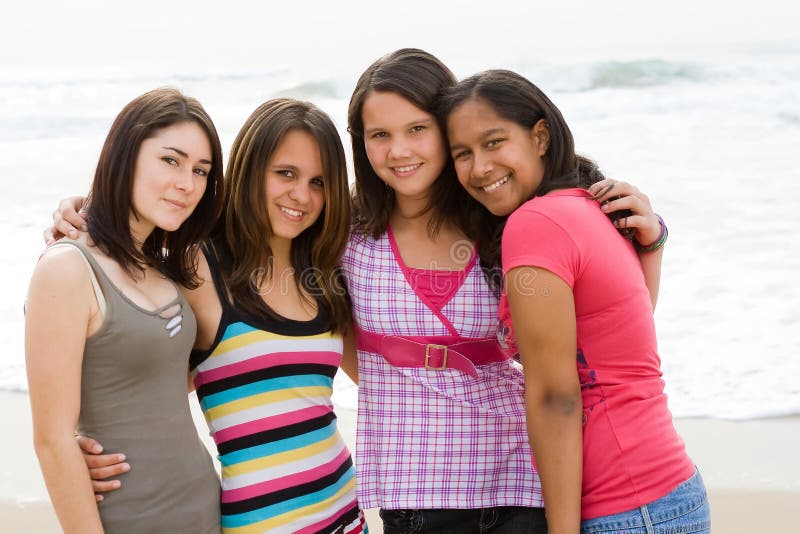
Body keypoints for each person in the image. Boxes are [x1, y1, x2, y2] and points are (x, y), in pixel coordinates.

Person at [342, 49, 662, 533]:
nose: (399, 150)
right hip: (415, 495)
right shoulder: (348, 237)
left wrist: (653, 243)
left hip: (523, 486)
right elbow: (331, 338)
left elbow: (609, 334)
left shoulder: (508, 218)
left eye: (417, 129)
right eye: (379, 135)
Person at [44, 98, 368, 533]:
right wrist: (81, 442)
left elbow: (380, 381)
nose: (302, 195)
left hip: (348, 514)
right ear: (250, 171)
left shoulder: (324, 273)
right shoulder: (195, 270)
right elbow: (133, 361)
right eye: (285, 174)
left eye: (319, 182)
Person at [440, 69, 710, 534]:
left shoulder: (535, 223)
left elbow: (556, 398)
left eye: (493, 142)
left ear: (540, 136)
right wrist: (655, 244)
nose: (479, 167)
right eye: (462, 153)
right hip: (669, 493)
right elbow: (619, 335)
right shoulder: (586, 205)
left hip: (624, 509)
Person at [26, 88, 224, 533]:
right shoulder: (67, 269)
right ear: (125, 154)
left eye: (200, 171)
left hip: (205, 509)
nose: (187, 183)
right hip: (131, 519)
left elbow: (157, 380)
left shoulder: (164, 265)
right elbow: (52, 442)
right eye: (170, 160)